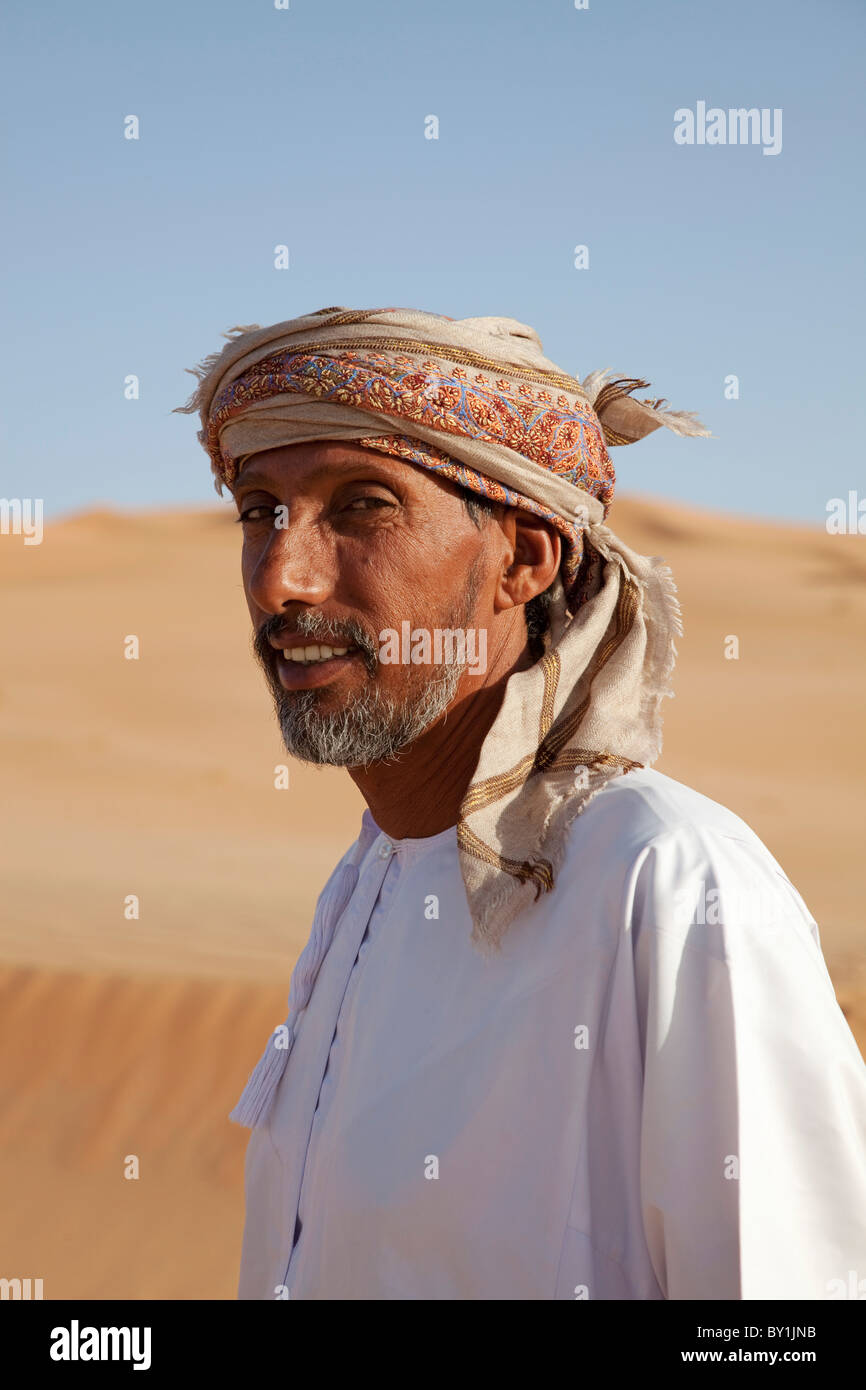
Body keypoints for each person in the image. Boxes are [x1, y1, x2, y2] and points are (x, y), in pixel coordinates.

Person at [176, 306, 866, 1300]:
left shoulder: (664, 879)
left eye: (361, 506)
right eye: (257, 509)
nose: (283, 577)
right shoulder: (365, 885)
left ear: (524, 558)